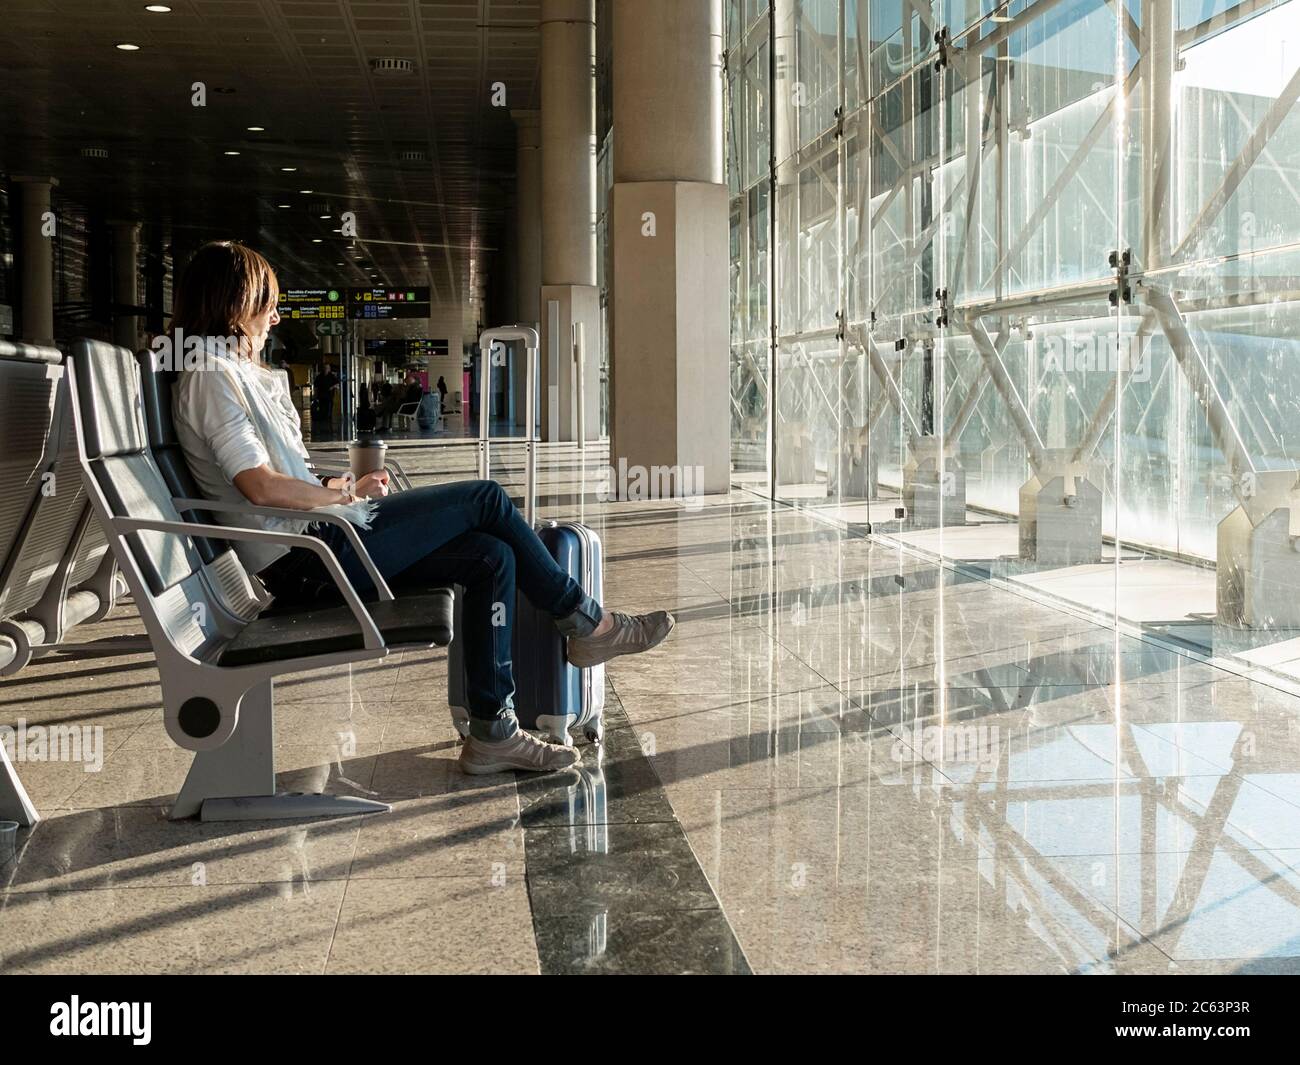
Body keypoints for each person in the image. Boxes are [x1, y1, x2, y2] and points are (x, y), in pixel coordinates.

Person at [170, 241, 674, 774]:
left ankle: (493, 732)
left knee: (489, 558)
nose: (276, 315)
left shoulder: (227, 372)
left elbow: (275, 479)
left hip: (317, 541)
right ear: (234, 303)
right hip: (308, 559)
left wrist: (334, 484)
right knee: (485, 497)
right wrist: (344, 497)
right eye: (267, 302)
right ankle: (586, 623)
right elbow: (261, 488)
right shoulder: (211, 377)